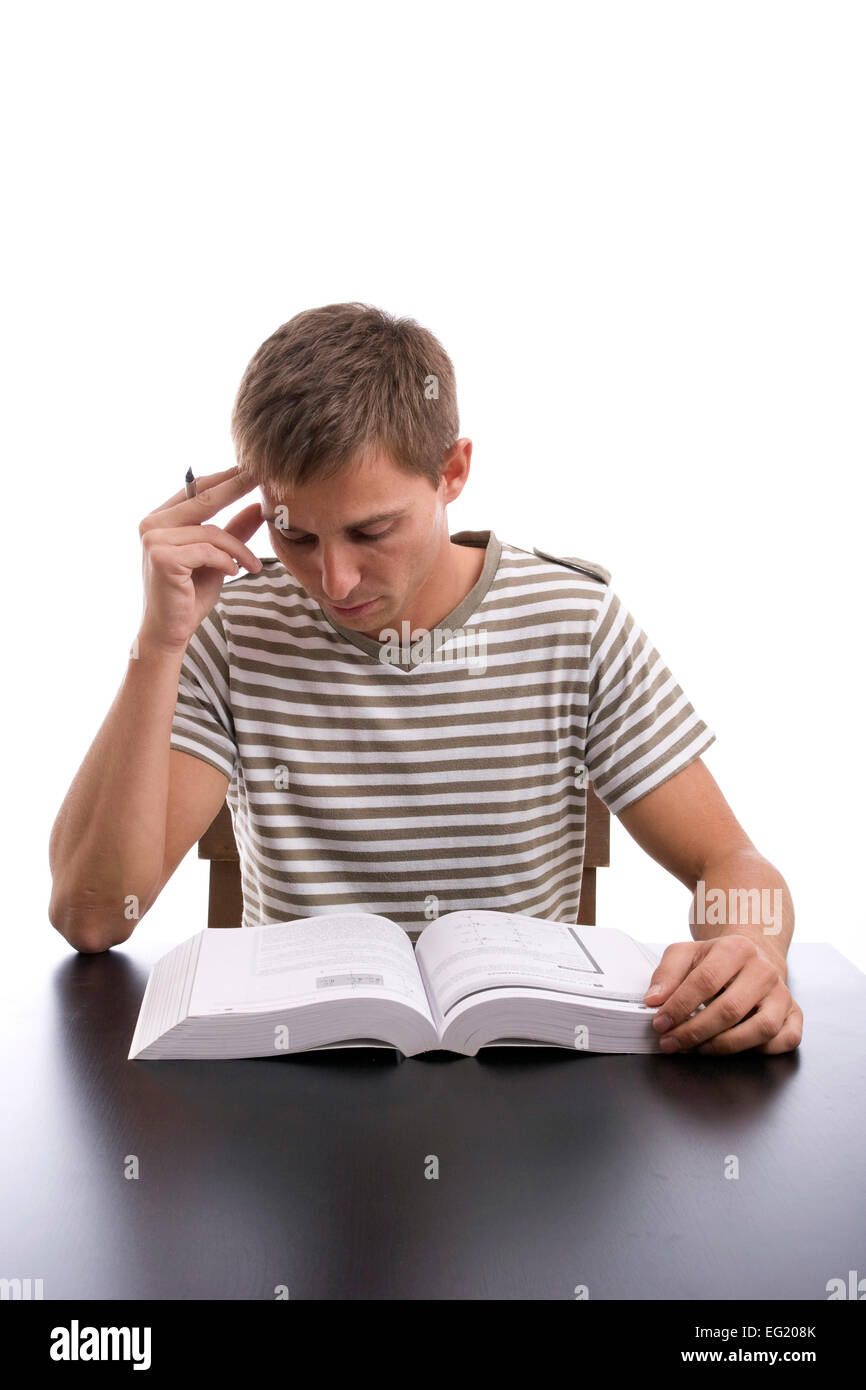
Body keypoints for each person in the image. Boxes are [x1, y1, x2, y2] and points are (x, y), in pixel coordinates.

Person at [48, 302, 802, 1056]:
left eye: (371, 531)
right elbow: (92, 918)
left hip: (518, 1085)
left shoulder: (574, 621)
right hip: (297, 1085)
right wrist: (158, 643)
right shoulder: (231, 630)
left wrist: (754, 949)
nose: (334, 579)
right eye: (295, 533)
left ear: (453, 472)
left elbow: (730, 862)